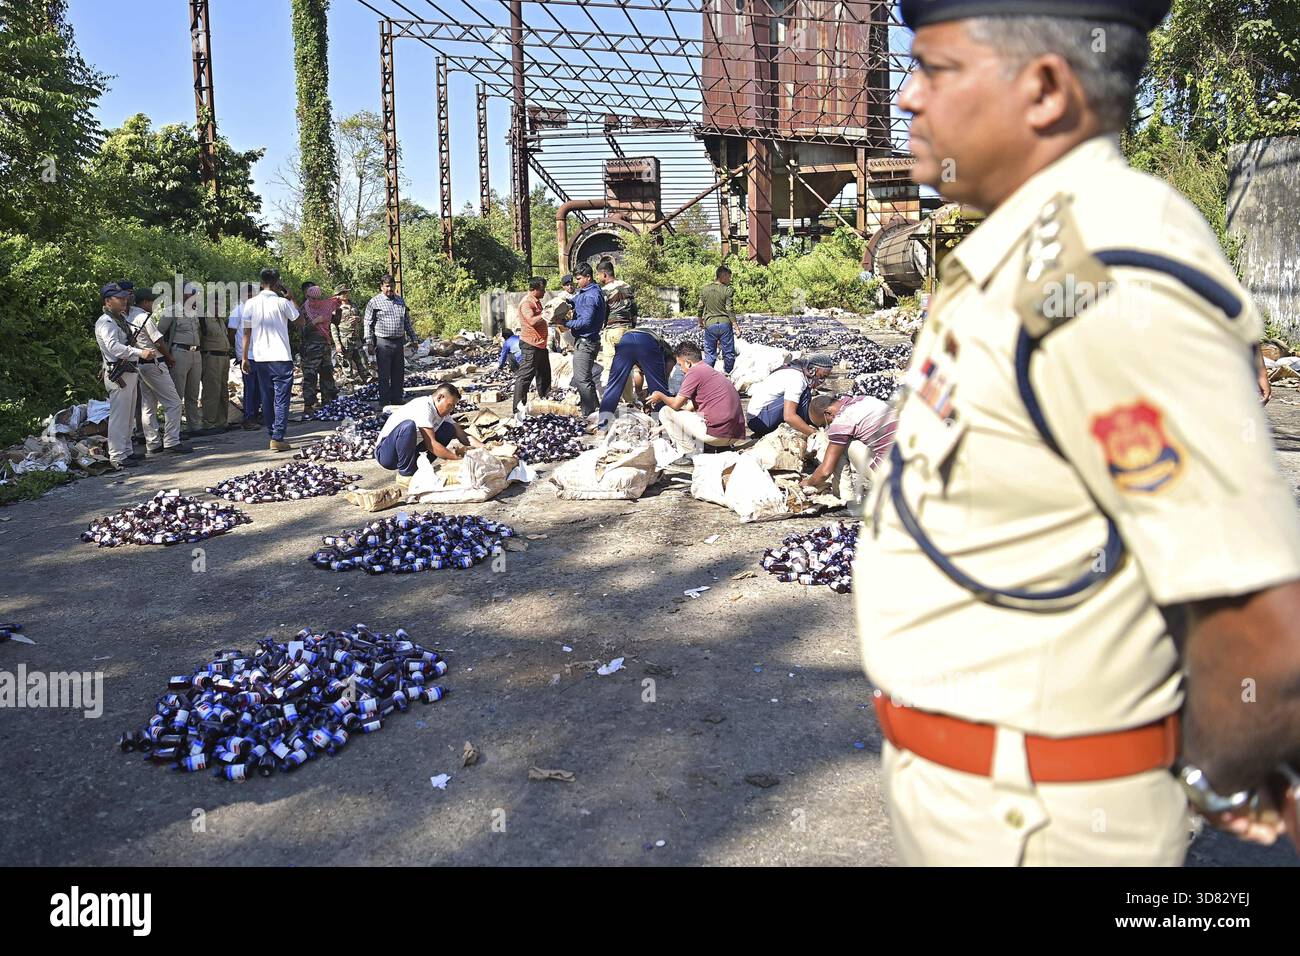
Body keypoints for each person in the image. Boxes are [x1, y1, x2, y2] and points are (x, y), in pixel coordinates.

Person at [857, 0, 1300, 867]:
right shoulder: (1030, 254)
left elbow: (1259, 625)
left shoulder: (1104, 279)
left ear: (1047, 91)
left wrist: (1216, 773)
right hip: (981, 798)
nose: (906, 98)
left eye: (934, 68)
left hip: (1040, 826)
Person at [95, 283, 157, 469]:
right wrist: (139, 353)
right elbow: (114, 347)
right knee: (120, 416)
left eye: (124, 297)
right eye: (119, 298)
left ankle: (126, 450)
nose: (124, 300)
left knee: (129, 415)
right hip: (118, 373)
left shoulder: (118, 319)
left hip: (128, 371)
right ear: (108, 301)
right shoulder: (105, 322)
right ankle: (117, 456)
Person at [241, 267, 302, 452]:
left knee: (267, 397)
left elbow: (246, 332)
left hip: (260, 357)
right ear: (277, 284)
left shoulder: (250, 304)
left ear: (261, 283)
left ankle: (272, 433)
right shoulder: (282, 303)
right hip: (281, 356)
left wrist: (245, 357)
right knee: (281, 398)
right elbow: (300, 322)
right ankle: (278, 437)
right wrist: (291, 298)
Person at [650, 341, 746, 454]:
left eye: (680, 365)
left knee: (665, 411)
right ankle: (719, 447)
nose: (680, 369)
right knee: (693, 414)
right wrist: (660, 429)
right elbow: (686, 411)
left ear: (688, 363)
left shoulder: (694, 372)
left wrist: (660, 395)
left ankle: (688, 453)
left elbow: (676, 405)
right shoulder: (710, 371)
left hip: (717, 435)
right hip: (733, 435)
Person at [127, 287, 190, 456]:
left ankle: (153, 443)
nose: (154, 304)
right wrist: (169, 356)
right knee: (174, 402)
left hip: (139, 364)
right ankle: (172, 441)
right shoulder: (143, 317)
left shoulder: (128, 316)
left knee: (148, 405)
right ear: (146, 302)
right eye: (153, 301)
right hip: (154, 363)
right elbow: (158, 340)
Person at [374, 382, 470, 489]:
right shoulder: (424, 406)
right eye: (450, 405)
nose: (451, 409)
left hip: (408, 453)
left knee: (448, 429)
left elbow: (462, 435)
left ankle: (416, 468)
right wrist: (458, 459)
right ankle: (405, 475)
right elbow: (431, 445)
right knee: (408, 426)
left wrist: (485, 449)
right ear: (440, 397)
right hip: (387, 455)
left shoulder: (443, 414)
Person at [802, 393, 896, 503]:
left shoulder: (841, 422)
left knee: (839, 446)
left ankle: (845, 500)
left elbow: (825, 471)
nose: (827, 427)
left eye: (824, 424)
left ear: (827, 413)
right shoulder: (864, 399)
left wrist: (808, 482)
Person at [156, 280, 205, 437]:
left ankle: (194, 425)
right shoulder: (171, 311)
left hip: (196, 353)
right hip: (179, 353)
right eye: (192, 293)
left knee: (193, 392)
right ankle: (174, 430)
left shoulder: (196, 312)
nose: (195, 296)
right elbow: (158, 335)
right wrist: (167, 356)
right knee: (177, 394)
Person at [558, 263, 606, 416]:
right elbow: (579, 301)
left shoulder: (591, 296)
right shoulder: (589, 292)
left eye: (579, 279)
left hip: (586, 342)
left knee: (581, 379)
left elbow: (586, 322)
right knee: (586, 377)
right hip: (588, 341)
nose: (576, 282)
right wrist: (568, 303)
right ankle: (595, 409)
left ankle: (588, 413)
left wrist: (565, 323)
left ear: (588, 277)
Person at [364, 274, 419, 407]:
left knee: (398, 372)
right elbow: (367, 323)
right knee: (384, 373)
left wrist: (414, 338)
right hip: (383, 342)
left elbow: (406, 322)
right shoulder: (374, 302)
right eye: (387, 286)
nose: (390, 289)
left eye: (392, 286)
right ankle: (384, 400)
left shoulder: (400, 301)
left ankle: (397, 398)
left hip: (399, 341)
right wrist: (369, 342)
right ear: (381, 287)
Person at [745, 355, 833, 438]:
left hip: (761, 417)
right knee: (804, 395)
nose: (822, 381)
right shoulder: (797, 379)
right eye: (822, 376)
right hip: (759, 421)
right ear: (812, 370)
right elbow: (789, 416)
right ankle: (799, 426)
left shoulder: (796, 372)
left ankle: (801, 425)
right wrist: (814, 434)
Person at [597, 328, 675, 421]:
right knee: (659, 388)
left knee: (614, 386)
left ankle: (603, 426)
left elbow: (638, 373)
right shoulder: (670, 356)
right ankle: (659, 423)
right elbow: (661, 382)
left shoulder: (658, 346)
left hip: (626, 339)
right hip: (646, 341)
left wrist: (640, 395)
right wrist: (651, 394)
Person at [596, 259, 638, 405]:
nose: (598, 278)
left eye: (599, 275)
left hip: (612, 330)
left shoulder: (604, 291)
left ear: (604, 274)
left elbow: (603, 312)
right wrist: (632, 326)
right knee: (626, 366)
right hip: (627, 330)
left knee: (610, 366)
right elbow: (634, 310)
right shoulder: (627, 286)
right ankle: (629, 399)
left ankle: (612, 399)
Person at [300, 284, 340, 415]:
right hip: (310, 349)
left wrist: (338, 310)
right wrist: (314, 322)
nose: (316, 302)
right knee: (310, 377)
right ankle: (309, 405)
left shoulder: (324, 308)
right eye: (313, 299)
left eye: (318, 299)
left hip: (325, 347)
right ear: (307, 296)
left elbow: (335, 321)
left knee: (327, 374)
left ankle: (328, 401)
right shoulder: (304, 310)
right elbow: (301, 331)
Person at [199, 283, 234, 433]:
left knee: (223, 390)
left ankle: (222, 421)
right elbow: (199, 339)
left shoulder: (220, 319)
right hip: (211, 357)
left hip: (224, 357)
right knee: (211, 390)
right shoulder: (204, 319)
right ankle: (209, 422)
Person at [513, 277, 552, 413]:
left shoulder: (537, 302)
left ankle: (544, 399)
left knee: (544, 374)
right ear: (534, 289)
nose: (544, 292)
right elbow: (531, 321)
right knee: (525, 376)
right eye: (542, 289)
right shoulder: (527, 303)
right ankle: (518, 409)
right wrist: (545, 315)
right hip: (531, 345)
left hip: (540, 345)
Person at [227, 284, 262, 431]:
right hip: (246, 355)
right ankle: (248, 418)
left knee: (260, 387)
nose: (251, 297)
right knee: (250, 387)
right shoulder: (238, 310)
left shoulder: (257, 310)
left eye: (253, 294)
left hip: (261, 354)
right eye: (248, 294)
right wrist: (239, 353)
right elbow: (231, 332)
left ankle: (257, 414)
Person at [698, 265, 738, 374]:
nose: (729, 280)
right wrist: (736, 327)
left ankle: (707, 375)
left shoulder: (705, 289)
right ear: (723, 276)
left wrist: (700, 321)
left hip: (710, 324)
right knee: (728, 352)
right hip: (725, 324)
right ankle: (727, 374)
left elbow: (700, 307)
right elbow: (729, 309)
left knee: (710, 353)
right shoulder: (727, 290)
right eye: (729, 277)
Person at [331, 285, 369, 382]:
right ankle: (349, 386)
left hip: (356, 339)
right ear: (338, 295)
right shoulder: (336, 308)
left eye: (346, 292)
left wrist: (358, 319)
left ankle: (368, 383)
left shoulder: (353, 304)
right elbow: (333, 326)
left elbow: (361, 317)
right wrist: (337, 344)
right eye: (343, 293)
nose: (345, 294)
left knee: (363, 361)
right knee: (346, 365)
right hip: (345, 340)